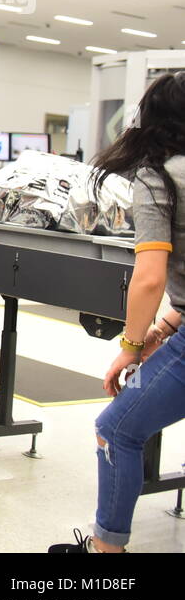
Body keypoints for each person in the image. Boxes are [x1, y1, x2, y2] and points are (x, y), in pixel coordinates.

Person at [51, 72, 185, 552]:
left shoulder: (158, 175)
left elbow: (150, 276)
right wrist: (167, 326)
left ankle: (106, 551)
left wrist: (129, 347)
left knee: (116, 430)